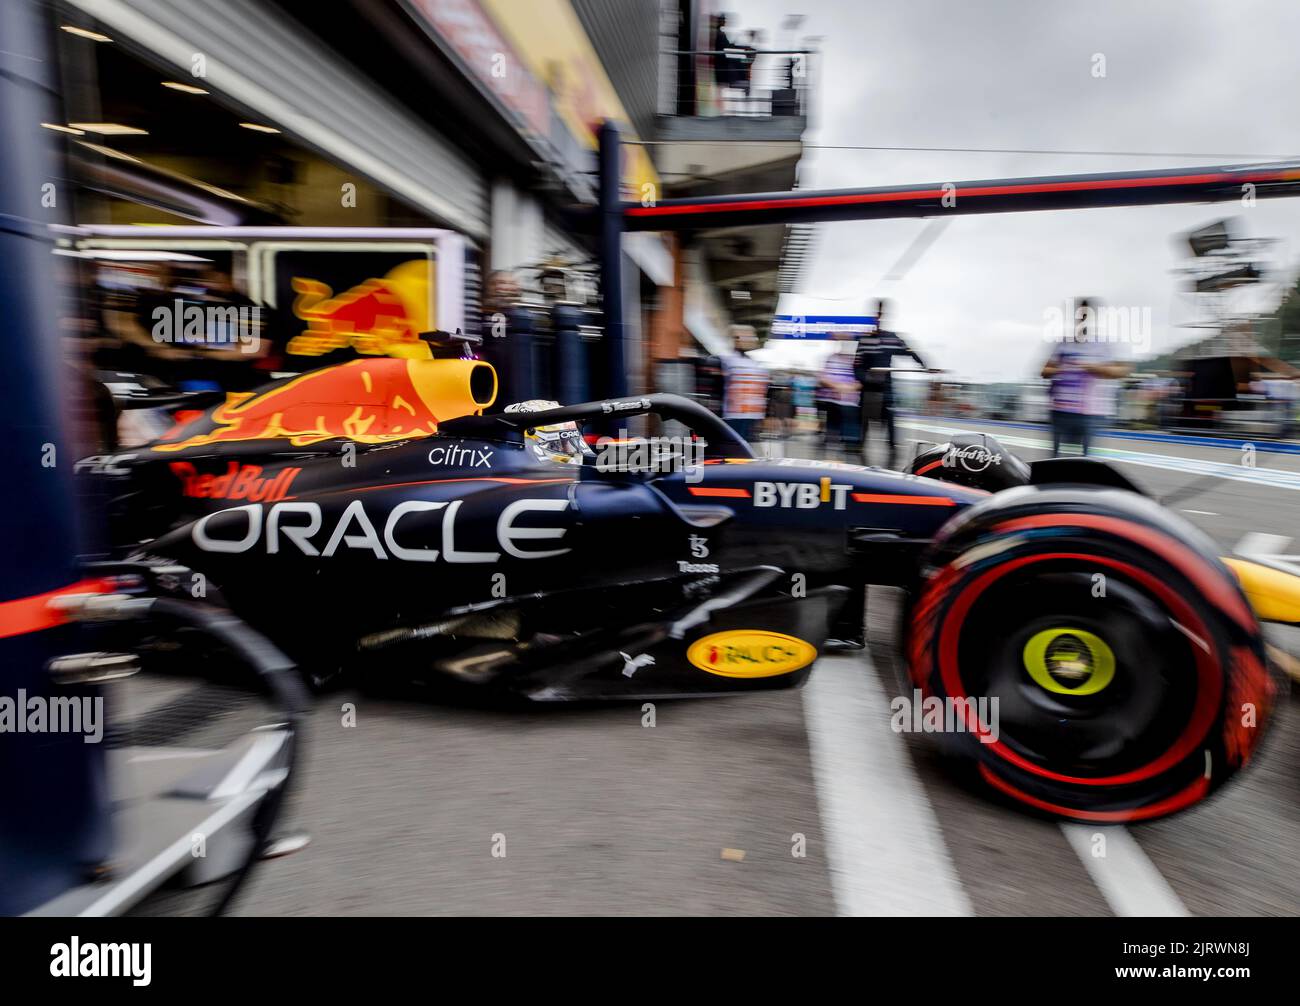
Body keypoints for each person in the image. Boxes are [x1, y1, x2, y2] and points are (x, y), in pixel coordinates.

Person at [1041, 298, 1130, 455]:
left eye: (1086, 315)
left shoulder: (1103, 344)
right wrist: (1060, 369)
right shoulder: (1063, 343)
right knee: (1054, 460)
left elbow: (1122, 371)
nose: (1082, 318)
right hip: (1060, 411)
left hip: (1089, 414)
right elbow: (1044, 371)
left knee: (1085, 462)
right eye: (1080, 315)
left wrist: (1093, 368)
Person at [853, 299, 929, 467]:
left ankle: (893, 465)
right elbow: (856, 368)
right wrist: (867, 378)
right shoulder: (864, 341)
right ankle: (858, 463)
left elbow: (908, 351)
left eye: (881, 315)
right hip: (867, 393)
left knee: (892, 432)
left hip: (886, 392)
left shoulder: (892, 338)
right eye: (875, 316)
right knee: (863, 432)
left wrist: (924, 364)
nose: (878, 319)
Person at [720, 324, 769, 444]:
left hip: (750, 415)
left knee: (743, 448)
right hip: (734, 415)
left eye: (752, 337)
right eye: (747, 337)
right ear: (736, 339)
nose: (752, 340)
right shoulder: (727, 360)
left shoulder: (753, 363)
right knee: (734, 447)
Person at [818, 330, 860, 457]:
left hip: (849, 404)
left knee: (848, 438)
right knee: (831, 436)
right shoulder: (831, 358)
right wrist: (837, 386)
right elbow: (822, 378)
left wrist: (849, 388)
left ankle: (847, 456)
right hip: (833, 402)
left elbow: (861, 380)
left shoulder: (856, 360)